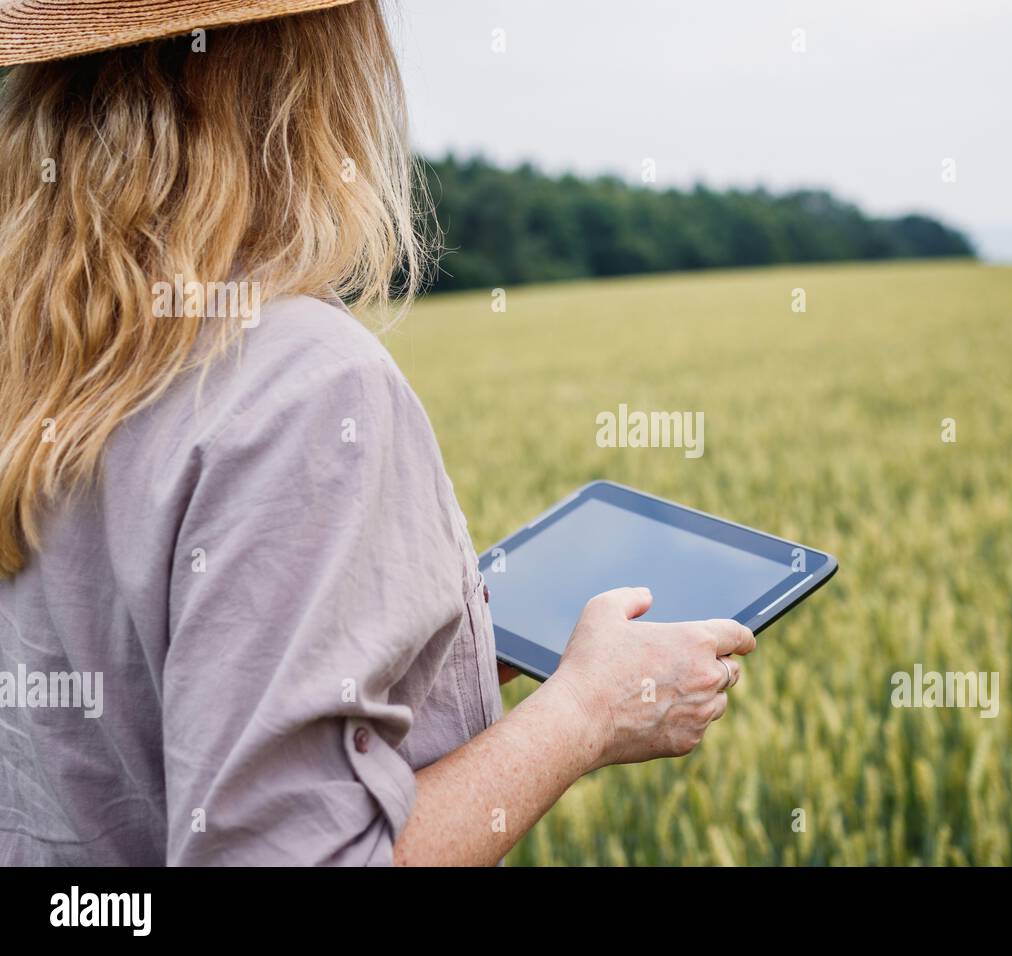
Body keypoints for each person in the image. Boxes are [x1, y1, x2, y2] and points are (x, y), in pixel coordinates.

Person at [0, 0, 753, 866]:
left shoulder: (39, 357)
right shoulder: (304, 382)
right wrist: (587, 713)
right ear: (307, 75)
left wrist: (435, 643)